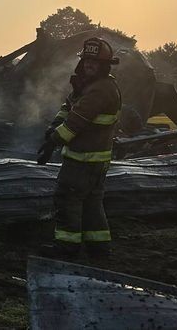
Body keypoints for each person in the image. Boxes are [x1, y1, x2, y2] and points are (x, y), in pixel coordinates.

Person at [38, 37, 122, 257]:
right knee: (92, 204)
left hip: (83, 160)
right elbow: (68, 108)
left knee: (66, 199)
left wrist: (52, 142)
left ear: (105, 65)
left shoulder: (100, 90)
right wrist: (54, 126)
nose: (88, 65)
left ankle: (67, 247)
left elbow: (76, 122)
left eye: (94, 62)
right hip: (93, 160)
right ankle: (99, 247)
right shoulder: (88, 86)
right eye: (86, 60)